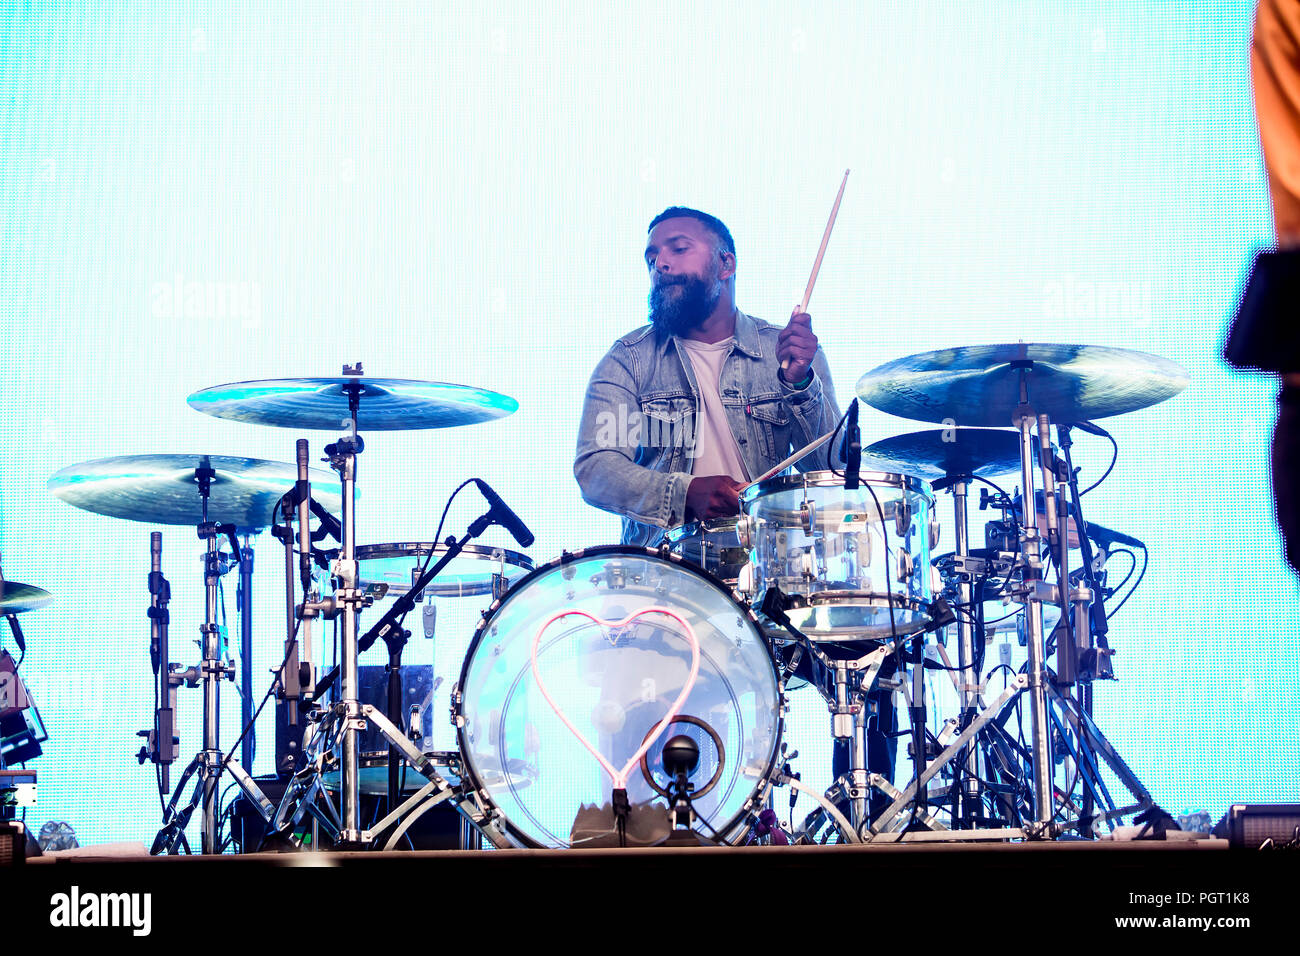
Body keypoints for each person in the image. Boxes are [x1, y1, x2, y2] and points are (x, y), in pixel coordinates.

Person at [574, 206, 840, 546]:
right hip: (666, 574)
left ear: (725, 264)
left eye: (679, 249)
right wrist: (684, 494)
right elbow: (597, 470)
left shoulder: (789, 350)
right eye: (651, 258)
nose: (661, 264)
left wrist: (800, 383)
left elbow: (833, 467)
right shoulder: (631, 360)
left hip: (768, 568)